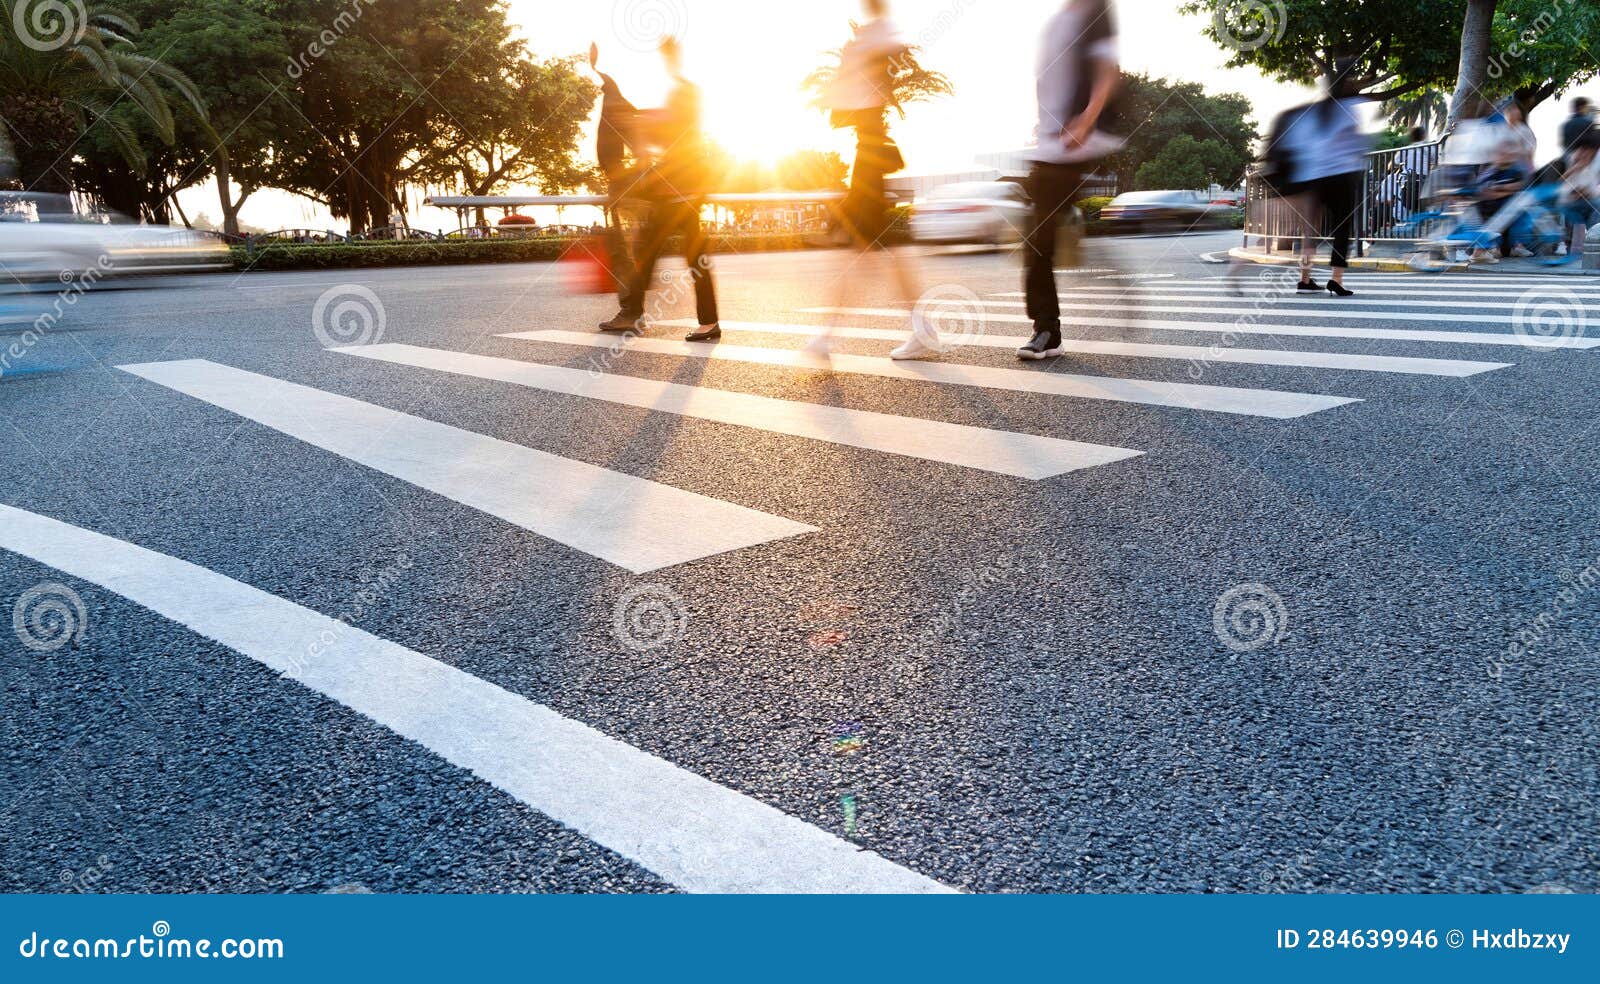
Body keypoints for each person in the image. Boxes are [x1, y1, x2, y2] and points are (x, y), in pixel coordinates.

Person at [813, 0, 931, 361]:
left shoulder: (876, 35)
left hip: (869, 157)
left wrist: (854, 77)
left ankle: (829, 336)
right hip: (866, 155)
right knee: (864, 250)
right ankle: (830, 336)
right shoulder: (874, 34)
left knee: (862, 249)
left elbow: (861, 91)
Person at [1017, 0, 1123, 360]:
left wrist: (1086, 121)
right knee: (1037, 240)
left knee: (1038, 239)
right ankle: (1048, 327)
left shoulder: (1096, 10)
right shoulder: (1055, 21)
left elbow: (1108, 71)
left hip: (1076, 144)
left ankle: (1047, 330)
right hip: (1050, 146)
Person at [598, 37, 720, 340]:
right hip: (681, 188)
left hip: (679, 189)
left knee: (650, 254)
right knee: (688, 256)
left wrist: (634, 121)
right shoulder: (683, 91)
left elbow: (670, 128)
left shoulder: (686, 92)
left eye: (668, 56)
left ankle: (633, 314)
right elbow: (666, 128)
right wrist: (638, 122)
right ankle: (706, 322)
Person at [1274, 59, 1372, 297]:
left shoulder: (1316, 111)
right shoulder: (1350, 110)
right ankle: (1336, 279)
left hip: (1314, 177)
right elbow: (1359, 145)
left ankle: (1304, 279)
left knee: (1309, 230)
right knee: (1342, 229)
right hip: (1342, 175)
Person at [589, 42, 640, 294]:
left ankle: (631, 287)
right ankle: (631, 283)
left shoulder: (615, 105)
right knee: (625, 237)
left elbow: (634, 135)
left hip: (619, 176)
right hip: (618, 174)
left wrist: (595, 66)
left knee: (624, 240)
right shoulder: (616, 103)